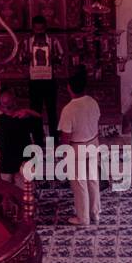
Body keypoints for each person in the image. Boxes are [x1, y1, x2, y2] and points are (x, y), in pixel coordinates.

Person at [58, 65, 102, 226]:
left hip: (77, 148)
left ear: (69, 88)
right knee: (93, 179)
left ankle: (83, 218)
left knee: (79, 183)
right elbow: (97, 123)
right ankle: (95, 213)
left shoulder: (69, 109)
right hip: (93, 144)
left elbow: (66, 136)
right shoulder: (93, 102)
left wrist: (64, 153)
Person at [0, 89, 43, 184]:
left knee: (4, 194)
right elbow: (39, 118)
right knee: (23, 194)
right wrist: (27, 110)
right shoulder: (24, 119)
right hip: (23, 163)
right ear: (15, 102)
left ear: (1, 106)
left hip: (4, 164)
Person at [26, 14, 61, 136]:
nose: (39, 31)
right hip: (34, 80)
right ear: (33, 28)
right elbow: (20, 59)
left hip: (49, 79)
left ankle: (54, 139)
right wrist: (27, 57)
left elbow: (61, 57)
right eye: (37, 29)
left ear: (45, 27)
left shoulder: (53, 40)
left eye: (41, 29)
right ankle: (38, 139)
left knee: (52, 111)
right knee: (35, 111)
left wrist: (54, 58)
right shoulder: (27, 42)